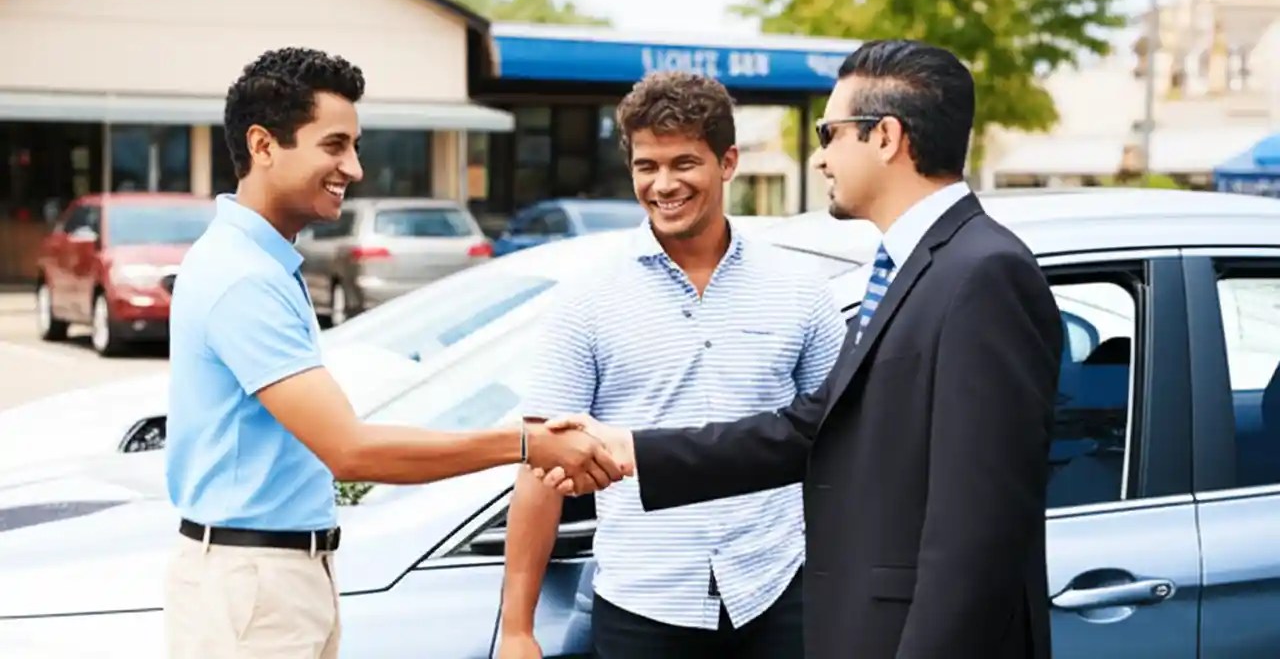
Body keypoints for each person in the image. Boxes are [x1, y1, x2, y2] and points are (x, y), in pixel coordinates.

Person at [540, 40, 1065, 659]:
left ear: (886, 137)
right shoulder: (914, 268)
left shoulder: (983, 272)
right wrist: (634, 450)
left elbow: (978, 533)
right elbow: (811, 431)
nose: (820, 159)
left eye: (830, 133)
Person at [163, 47, 623, 659]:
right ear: (263, 145)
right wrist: (524, 441)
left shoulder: (263, 260)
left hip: (277, 575)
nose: (352, 168)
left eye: (355, 147)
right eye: (333, 145)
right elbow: (349, 450)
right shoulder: (243, 276)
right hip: (255, 587)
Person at [497, 70, 845, 659]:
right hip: (643, 604)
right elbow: (540, 463)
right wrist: (516, 628)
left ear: (727, 161)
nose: (663, 185)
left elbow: (838, 443)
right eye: (646, 167)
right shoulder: (588, 297)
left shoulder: (800, 288)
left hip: (779, 592)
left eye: (684, 163)